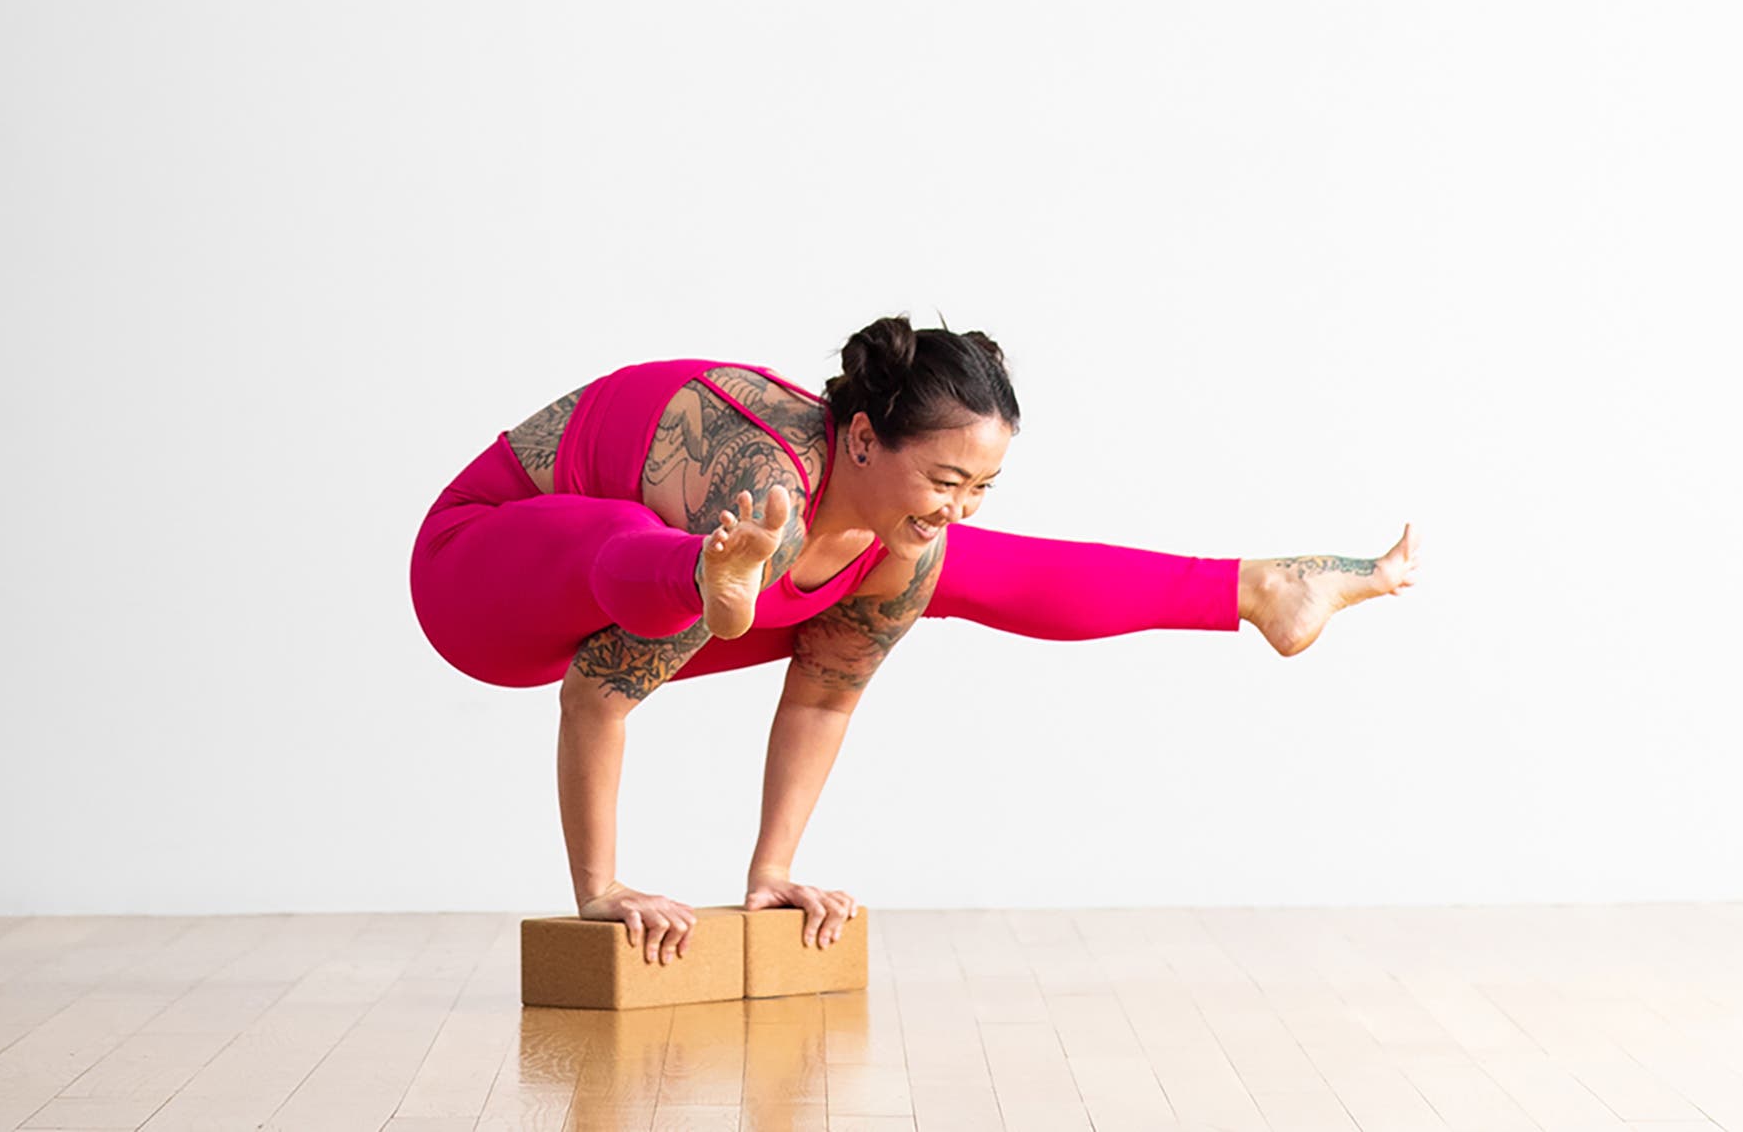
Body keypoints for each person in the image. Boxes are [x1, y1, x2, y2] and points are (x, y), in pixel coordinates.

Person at [408, 315, 1420, 971]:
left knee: (945, 567)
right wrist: (601, 891)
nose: (962, 505)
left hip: (701, 593)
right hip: (481, 578)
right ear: (857, 439)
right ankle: (697, 579)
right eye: (945, 482)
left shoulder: (898, 537)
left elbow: (821, 699)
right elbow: (595, 695)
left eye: (981, 487)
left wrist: (772, 871)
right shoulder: (758, 475)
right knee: (663, 549)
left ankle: (1258, 587)